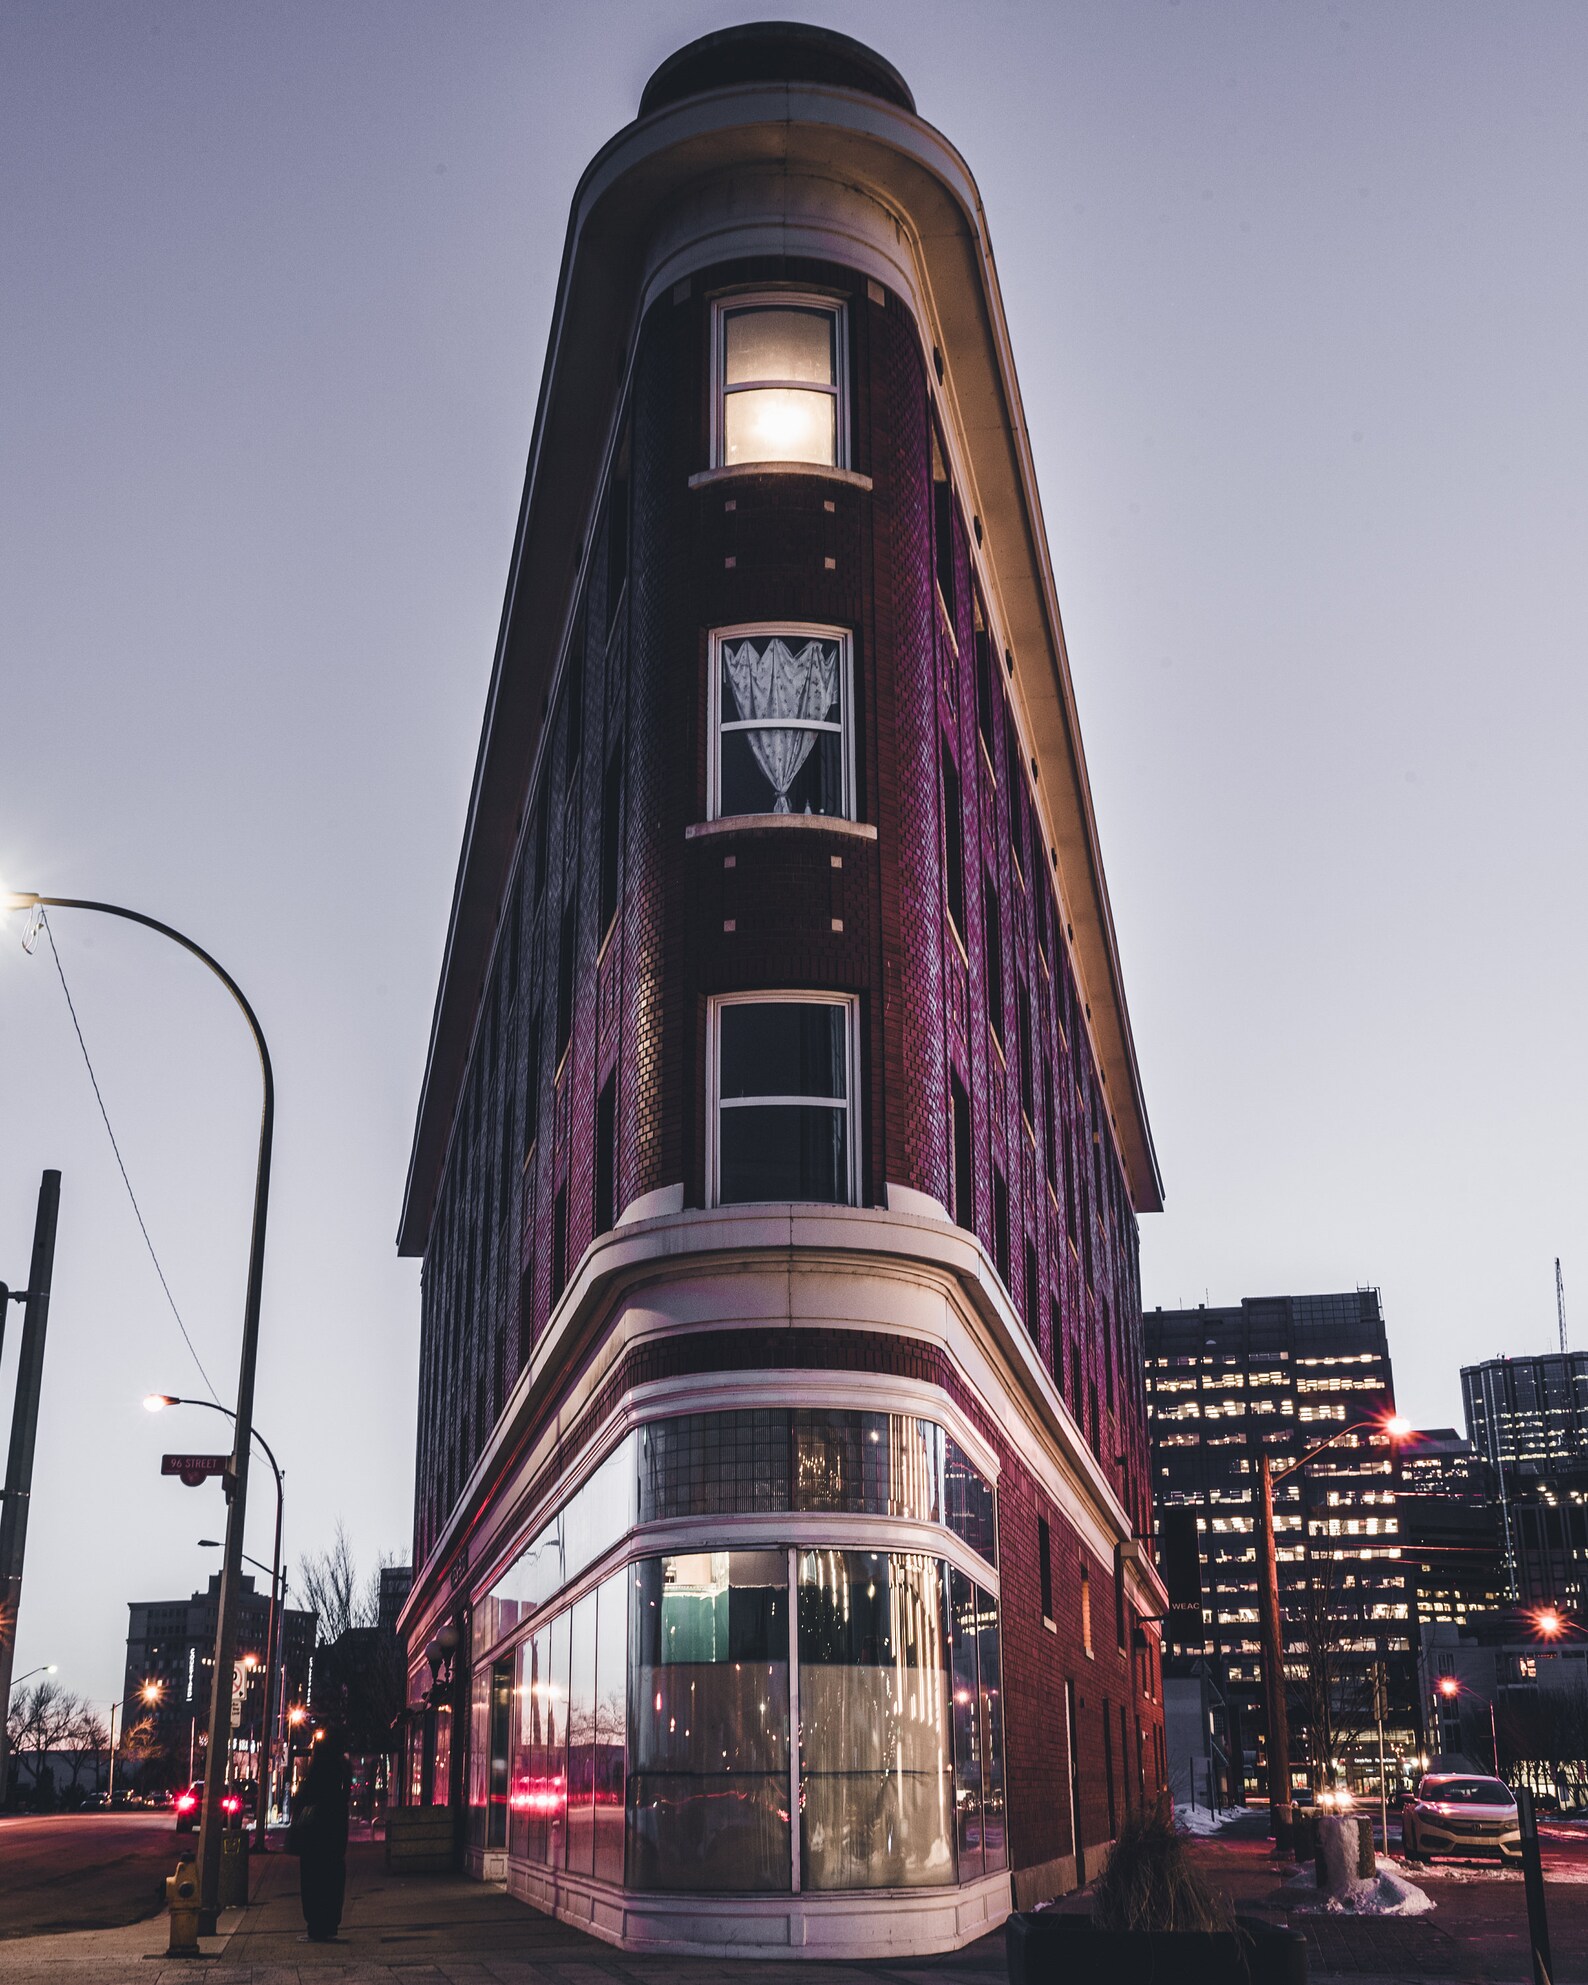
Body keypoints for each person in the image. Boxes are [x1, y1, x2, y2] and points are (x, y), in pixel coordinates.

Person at [288, 1725, 351, 1943]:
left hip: (314, 1838)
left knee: (313, 1881)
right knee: (332, 1880)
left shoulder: (317, 1772)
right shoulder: (342, 1770)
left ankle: (316, 1926)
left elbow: (303, 1800)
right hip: (334, 1837)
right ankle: (330, 1924)